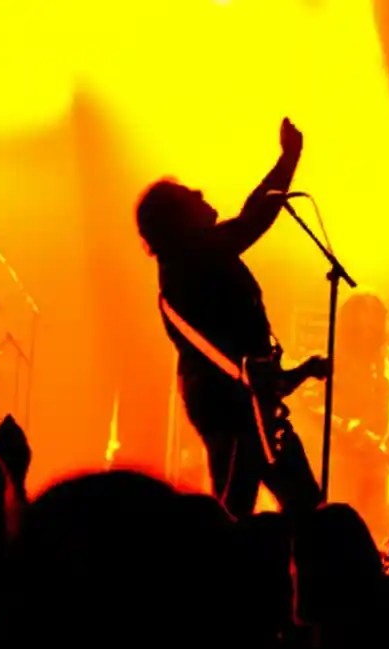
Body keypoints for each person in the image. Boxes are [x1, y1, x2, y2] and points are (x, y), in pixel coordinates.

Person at [135, 117, 328, 519]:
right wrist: (288, 160)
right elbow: (253, 219)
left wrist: (291, 373)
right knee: (260, 507)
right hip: (231, 404)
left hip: (236, 398)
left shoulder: (192, 259)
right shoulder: (193, 257)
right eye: (190, 195)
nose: (201, 193)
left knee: (261, 505)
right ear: (177, 219)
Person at [329, 290, 389, 539]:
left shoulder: (386, 362)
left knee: (377, 534)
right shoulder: (334, 359)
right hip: (344, 462)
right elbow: (315, 405)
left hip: (379, 463)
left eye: (375, 318)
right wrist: (350, 429)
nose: (368, 327)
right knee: (343, 532)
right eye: (362, 318)